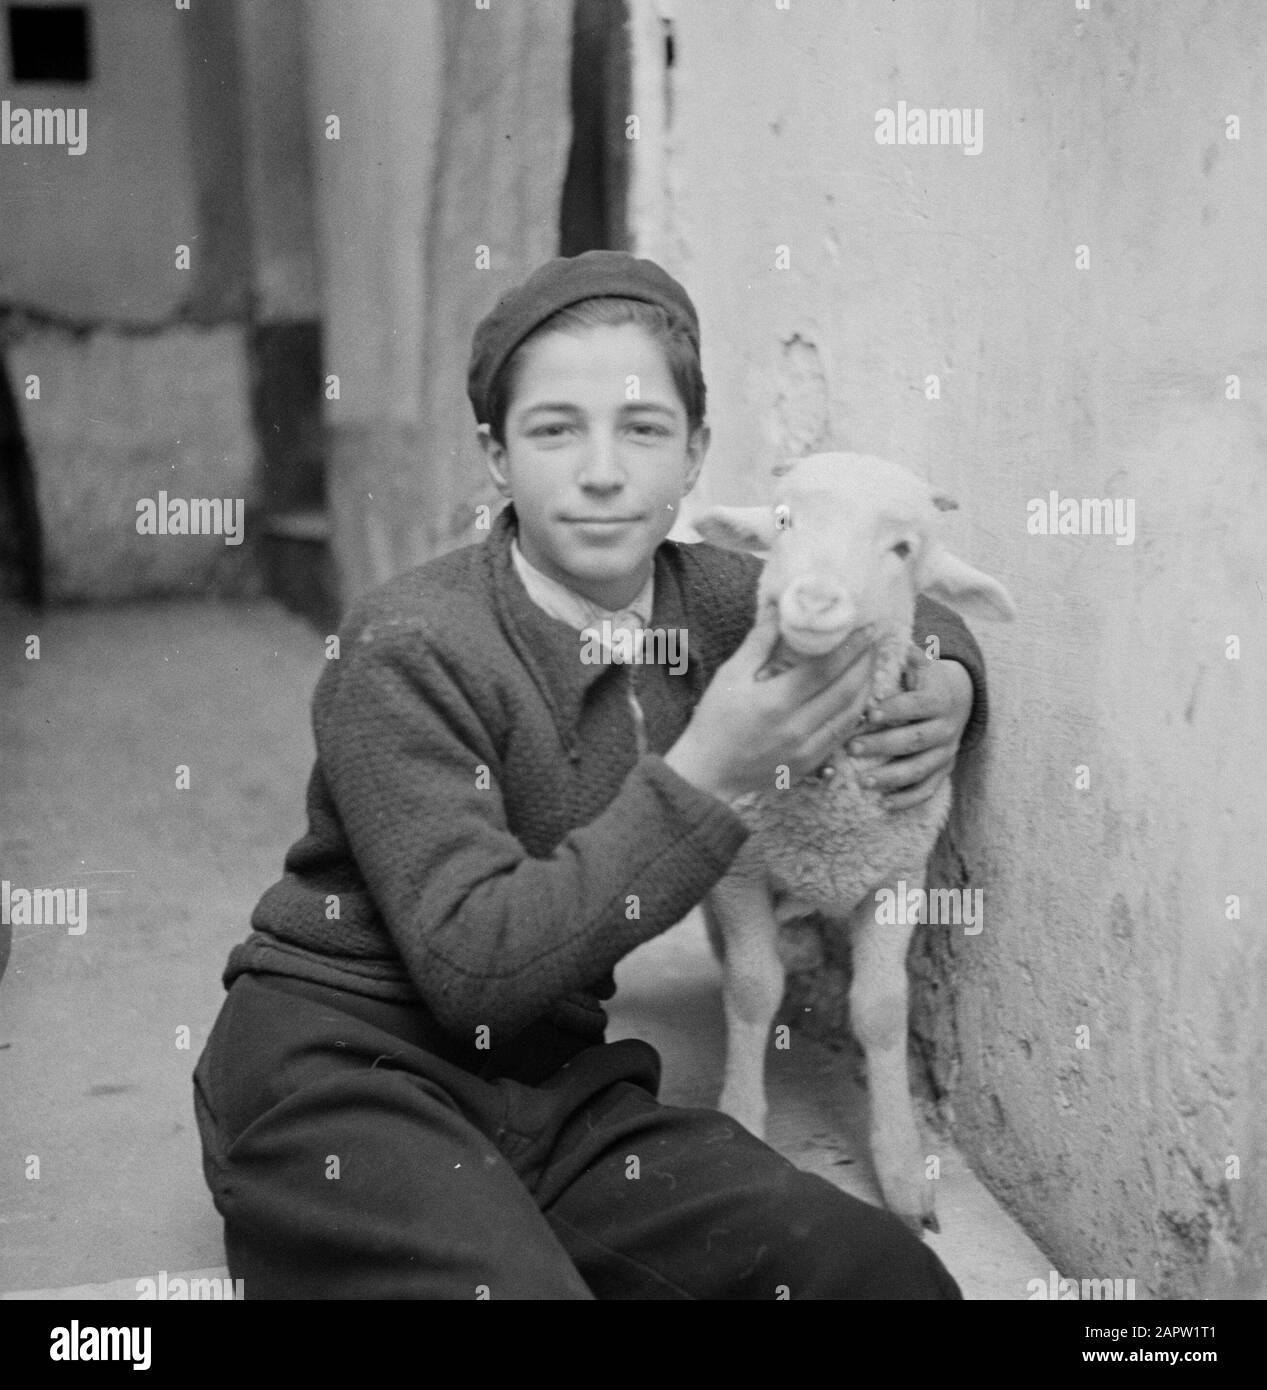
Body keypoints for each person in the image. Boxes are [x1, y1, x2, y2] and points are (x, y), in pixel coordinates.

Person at [192, 250, 989, 1299]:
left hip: (551, 1081)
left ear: (698, 452)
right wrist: (712, 772)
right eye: (555, 429)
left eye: (644, 428)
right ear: (496, 455)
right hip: (343, 1070)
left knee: (878, 1278)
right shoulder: (407, 645)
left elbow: (890, 593)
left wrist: (952, 682)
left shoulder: (705, 598)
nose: (602, 471)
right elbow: (470, 964)